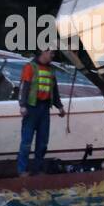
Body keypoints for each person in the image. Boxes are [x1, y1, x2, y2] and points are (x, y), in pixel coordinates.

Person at [16, 49, 65, 177]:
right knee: (26, 141)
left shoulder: (51, 70)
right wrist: (22, 105)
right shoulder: (30, 67)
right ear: (43, 52)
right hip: (32, 107)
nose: (53, 55)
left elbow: (54, 90)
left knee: (42, 142)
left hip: (44, 108)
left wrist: (59, 106)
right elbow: (23, 87)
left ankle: (37, 169)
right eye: (51, 53)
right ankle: (22, 170)